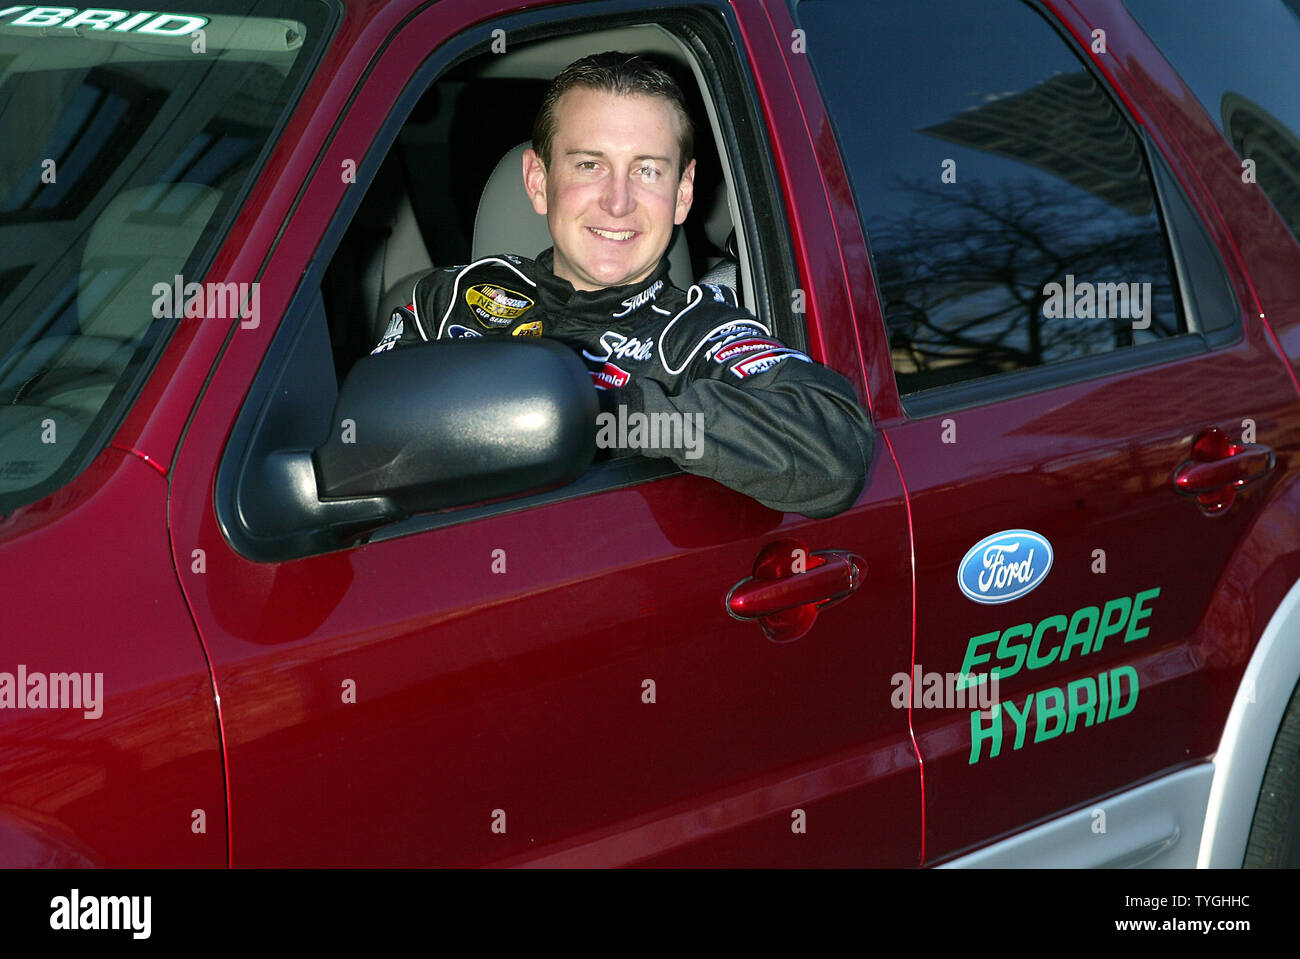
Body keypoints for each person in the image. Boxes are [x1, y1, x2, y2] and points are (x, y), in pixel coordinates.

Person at [372, 51, 872, 518]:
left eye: (648, 171)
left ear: (682, 194)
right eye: (590, 165)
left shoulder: (697, 337)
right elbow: (362, 447)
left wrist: (618, 413)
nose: (618, 202)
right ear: (539, 181)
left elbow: (835, 449)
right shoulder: (449, 299)